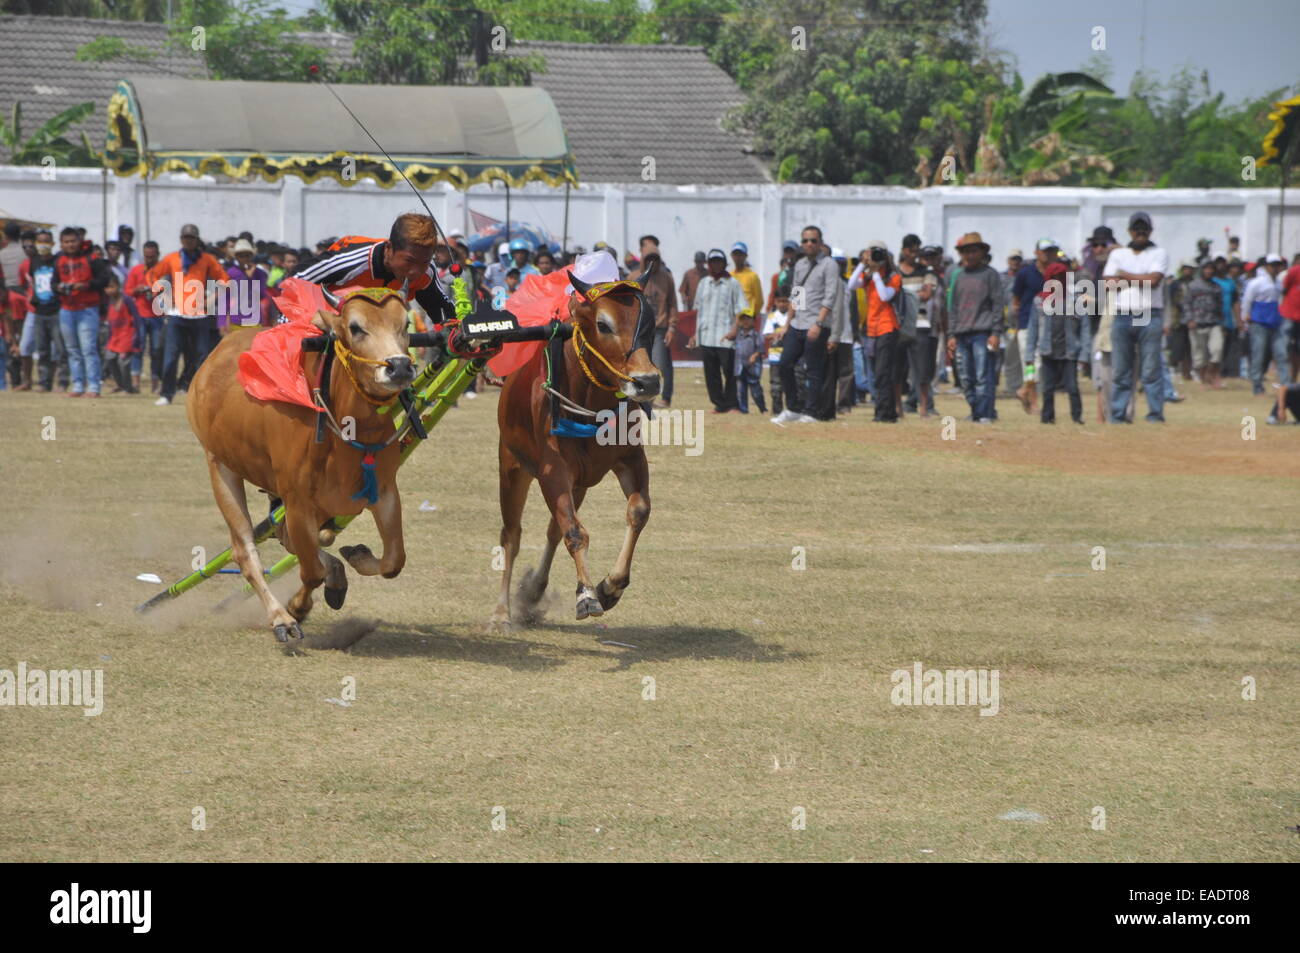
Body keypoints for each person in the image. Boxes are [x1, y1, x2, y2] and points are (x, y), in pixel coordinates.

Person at [293, 214, 457, 326]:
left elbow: (444, 312)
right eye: (409, 261)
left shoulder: (426, 272)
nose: (416, 271)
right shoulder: (353, 260)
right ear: (389, 248)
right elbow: (294, 282)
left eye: (425, 261)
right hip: (320, 326)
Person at [146, 223, 229, 406]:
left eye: (192, 238)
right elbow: (153, 275)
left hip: (199, 315)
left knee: (200, 356)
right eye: (185, 238)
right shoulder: (172, 258)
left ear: (196, 240)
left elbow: (224, 279)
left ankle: (197, 393)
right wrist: (163, 294)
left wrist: (212, 297)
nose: (188, 241)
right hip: (177, 314)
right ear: (181, 239)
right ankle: (167, 393)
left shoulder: (207, 259)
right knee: (171, 355)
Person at [1103, 211, 1169, 423]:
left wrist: (1123, 275)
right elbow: (1108, 284)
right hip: (1123, 314)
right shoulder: (1118, 255)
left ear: (1150, 230)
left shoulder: (1159, 253)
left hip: (1149, 314)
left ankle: (1155, 415)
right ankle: (1119, 415)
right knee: (1121, 370)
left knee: (1150, 370)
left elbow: (1154, 282)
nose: (1140, 232)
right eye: (1136, 228)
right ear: (1130, 231)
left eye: (1144, 228)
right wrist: (1141, 278)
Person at [772, 225, 839, 424]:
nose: (809, 244)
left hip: (817, 323)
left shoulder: (829, 265)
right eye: (805, 240)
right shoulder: (800, 264)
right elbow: (796, 294)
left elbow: (830, 295)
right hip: (798, 322)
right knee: (784, 363)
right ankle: (793, 408)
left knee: (814, 369)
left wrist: (818, 323)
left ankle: (811, 412)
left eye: (813, 240)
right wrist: (787, 323)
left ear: (820, 243)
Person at [944, 232, 1005, 423]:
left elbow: (997, 305)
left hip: (982, 332)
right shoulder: (957, 276)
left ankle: (985, 413)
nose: (970, 255)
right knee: (966, 378)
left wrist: (995, 333)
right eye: (966, 252)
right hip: (961, 333)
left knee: (983, 376)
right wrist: (951, 334)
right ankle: (976, 411)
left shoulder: (990, 275)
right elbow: (952, 307)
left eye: (973, 251)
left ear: (981, 252)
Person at [850, 241, 903, 422]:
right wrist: (862, 264)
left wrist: (875, 275)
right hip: (871, 329)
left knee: (883, 372)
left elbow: (884, 296)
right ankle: (887, 412)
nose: (876, 258)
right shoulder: (869, 275)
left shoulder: (893, 276)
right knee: (876, 373)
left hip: (887, 327)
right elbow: (851, 285)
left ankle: (884, 413)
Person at [54, 226, 110, 398]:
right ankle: (77, 385)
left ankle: (93, 386)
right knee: (71, 349)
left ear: (79, 241)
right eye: (66, 242)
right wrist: (58, 288)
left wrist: (86, 285)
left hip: (87, 309)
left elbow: (104, 278)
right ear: (61, 243)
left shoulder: (92, 258)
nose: (70, 245)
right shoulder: (59, 260)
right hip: (66, 309)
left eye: (73, 241)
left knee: (88, 349)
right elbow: (53, 282)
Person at [1026, 259, 1084, 424]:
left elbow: (1084, 327)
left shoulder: (1074, 300)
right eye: (1054, 277)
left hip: (1069, 351)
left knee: (1072, 387)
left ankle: (1077, 417)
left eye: (1061, 277)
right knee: (1047, 388)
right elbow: (1033, 329)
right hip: (1047, 350)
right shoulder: (1039, 301)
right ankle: (1047, 418)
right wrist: (1029, 354)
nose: (1057, 281)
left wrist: (1085, 353)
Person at [687, 248, 743, 413]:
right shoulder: (704, 283)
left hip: (726, 335)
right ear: (709, 264)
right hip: (706, 335)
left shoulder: (733, 283)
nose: (716, 265)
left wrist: (735, 329)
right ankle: (720, 404)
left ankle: (733, 404)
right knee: (711, 373)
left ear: (724, 263)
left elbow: (741, 309)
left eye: (719, 261)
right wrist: (695, 333)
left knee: (729, 371)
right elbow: (699, 310)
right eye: (713, 262)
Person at [1011, 240, 1059, 413]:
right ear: (1036, 252)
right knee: (1031, 363)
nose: (1047, 254)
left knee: (1042, 364)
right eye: (1044, 251)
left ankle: (1025, 391)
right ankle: (1033, 401)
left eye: (1051, 251)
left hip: (1048, 325)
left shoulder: (1057, 273)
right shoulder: (1025, 273)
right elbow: (1016, 299)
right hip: (1026, 324)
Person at [631, 241, 679, 410]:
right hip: (638, 330)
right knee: (640, 364)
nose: (653, 262)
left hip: (659, 328)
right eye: (649, 259)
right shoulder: (633, 276)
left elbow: (672, 303)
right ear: (643, 259)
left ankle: (663, 398)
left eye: (655, 259)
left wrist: (672, 327)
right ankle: (644, 400)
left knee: (660, 364)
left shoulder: (666, 278)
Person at [1242, 254, 1288, 394]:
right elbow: (1247, 300)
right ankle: (1257, 384)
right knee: (1259, 354)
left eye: (1277, 265)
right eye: (1272, 265)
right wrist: (1246, 316)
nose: (1275, 268)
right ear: (1267, 266)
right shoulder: (1257, 282)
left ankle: (1286, 386)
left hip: (1275, 322)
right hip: (1259, 322)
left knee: (1281, 353)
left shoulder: (1279, 283)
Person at [101, 273, 142, 394]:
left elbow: (136, 318)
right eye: (107, 287)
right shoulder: (109, 301)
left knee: (123, 363)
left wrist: (137, 336)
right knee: (110, 359)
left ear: (118, 286)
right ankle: (121, 384)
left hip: (127, 335)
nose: (109, 290)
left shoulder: (127, 300)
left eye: (112, 286)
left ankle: (128, 388)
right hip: (114, 336)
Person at [1185, 261, 1223, 390]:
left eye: (1211, 268)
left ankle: (1211, 373)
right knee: (1199, 356)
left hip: (1214, 323)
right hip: (1196, 324)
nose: (1209, 271)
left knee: (1217, 350)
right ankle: (1204, 381)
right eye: (1206, 268)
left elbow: (1220, 306)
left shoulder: (1217, 287)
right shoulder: (1193, 286)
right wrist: (1190, 319)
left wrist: (1222, 322)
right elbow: (1187, 303)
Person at [224, 238, 272, 334]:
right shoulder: (230, 273)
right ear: (236, 257)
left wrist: (251, 279)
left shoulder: (259, 273)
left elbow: (261, 295)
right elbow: (226, 298)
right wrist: (223, 321)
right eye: (241, 256)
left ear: (251, 256)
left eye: (247, 255)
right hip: (236, 319)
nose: (245, 258)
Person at [733, 307, 766, 414]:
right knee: (741, 389)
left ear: (754, 320)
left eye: (749, 319)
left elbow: (761, 349)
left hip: (753, 366)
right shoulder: (738, 334)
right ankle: (743, 409)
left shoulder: (756, 335)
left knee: (755, 388)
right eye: (743, 319)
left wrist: (754, 355)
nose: (746, 321)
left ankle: (762, 407)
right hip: (740, 366)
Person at [763, 286, 791, 415]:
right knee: (776, 385)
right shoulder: (772, 317)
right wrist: (776, 335)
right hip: (775, 356)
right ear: (775, 302)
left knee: (791, 383)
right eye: (779, 301)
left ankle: (793, 409)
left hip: (790, 355)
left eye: (785, 301)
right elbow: (767, 335)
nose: (782, 304)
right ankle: (777, 411)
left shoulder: (793, 318)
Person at [729, 242, 764, 318]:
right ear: (732, 256)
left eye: (740, 254)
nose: (738, 257)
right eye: (735, 254)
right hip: (732, 317)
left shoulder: (753, 276)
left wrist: (753, 315)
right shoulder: (729, 276)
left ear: (745, 256)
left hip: (747, 318)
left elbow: (759, 300)